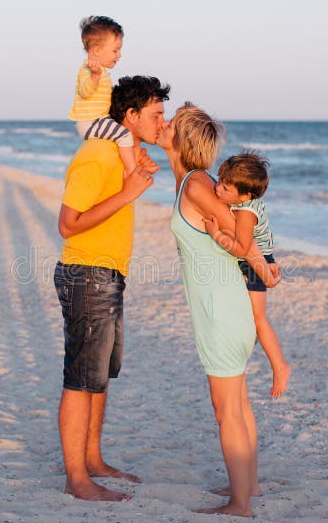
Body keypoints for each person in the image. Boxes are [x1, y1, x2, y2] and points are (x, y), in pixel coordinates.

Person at [159, 102, 280, 517]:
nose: (163, 125)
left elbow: (239, 234)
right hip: (223, 306)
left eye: (170, 124)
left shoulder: (196, 185)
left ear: (181, 139)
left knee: (225, 409)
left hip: (221, 309)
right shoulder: (191, 182)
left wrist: (264, 269)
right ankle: (249, 485)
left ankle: (240, 504)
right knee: (238, 403)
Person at [55, 75, 169, 502]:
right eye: (156, 115)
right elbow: (68, 224)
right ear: (131, 115)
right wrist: (129, 192)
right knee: (80, 377)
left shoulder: (122, 155)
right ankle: (77, 479)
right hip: (86, 273)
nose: (162, 122)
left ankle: (93, 460)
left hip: (108, 274)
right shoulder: (97, 155)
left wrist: (136, 171)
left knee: (100, 374)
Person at [203, 152, 292, 398]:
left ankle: (280, 366)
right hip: (255, 262)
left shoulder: (245, 213)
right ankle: (242, 353)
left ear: (245, 196)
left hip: (254, 265)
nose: (218, 189)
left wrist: (214, 233)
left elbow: (243, 249)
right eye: (219, 181)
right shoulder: (242, 200)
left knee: (258, 320)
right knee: (245, 318)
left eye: (225, 188)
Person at [67, 15, 138, 177]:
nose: (119, 55)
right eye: (115, 51)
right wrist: (95, 76)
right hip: (91, 122)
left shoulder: (100, 70)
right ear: (97, 50)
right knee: (125, 135)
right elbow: (85, 92)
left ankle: (121, 170)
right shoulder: (88, 70)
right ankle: (132, 171)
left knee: (120, 137)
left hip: (97, 120)